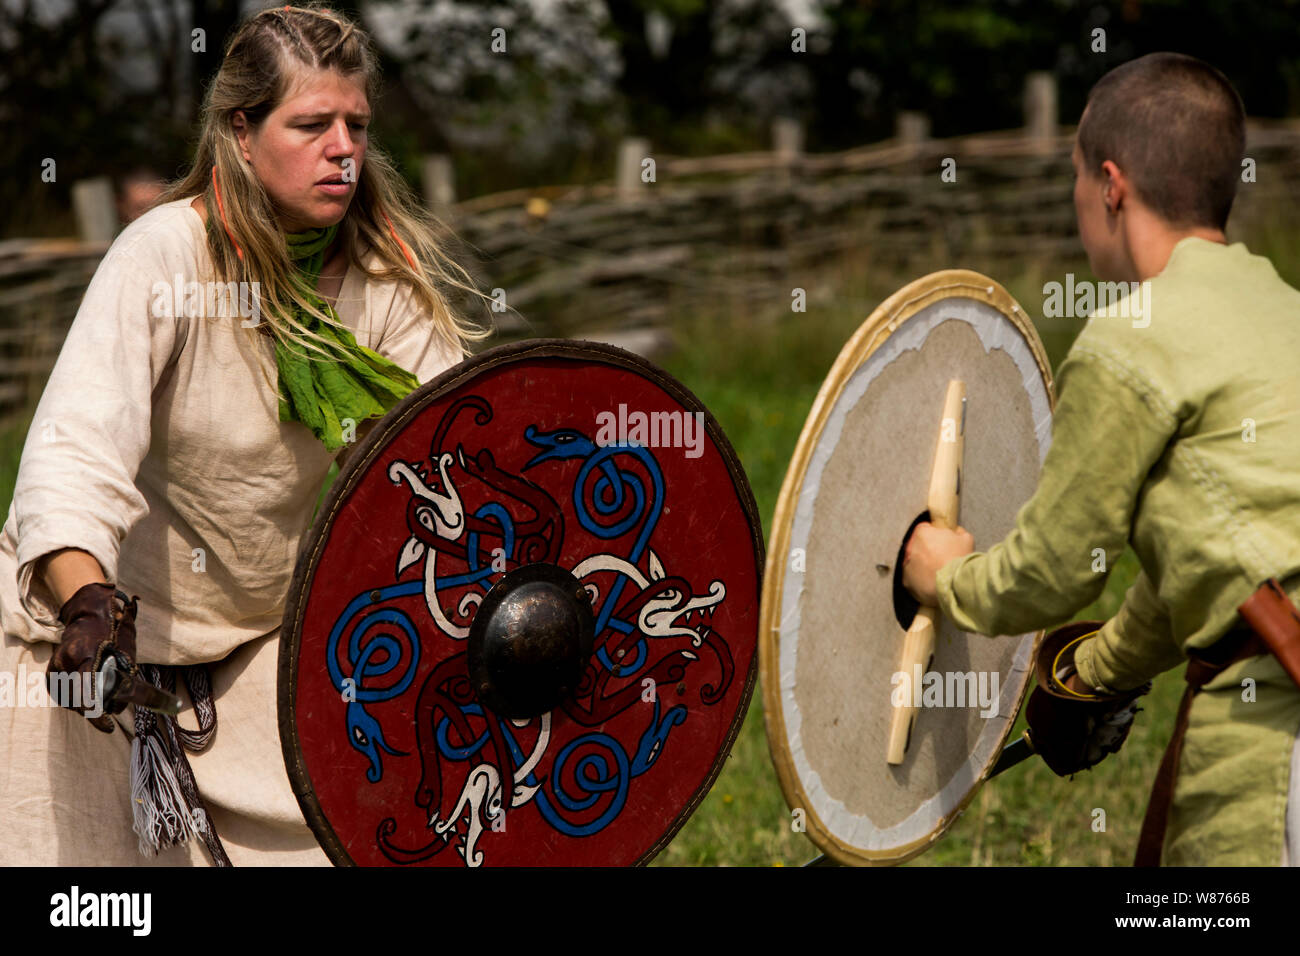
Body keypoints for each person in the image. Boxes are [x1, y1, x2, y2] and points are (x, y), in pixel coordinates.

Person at [0, 5, 486, 866]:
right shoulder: (165, 258)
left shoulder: (383, 287)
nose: (343, 146)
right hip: (81, 662)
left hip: (261, 659)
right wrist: (86, 605)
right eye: (311, 124)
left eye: (357, 125)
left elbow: (455, 457)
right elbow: (76, 451)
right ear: (242, 132)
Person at [903, 52, 1300, 866]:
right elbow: (1219, 560)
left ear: (1111, 185)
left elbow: (1056, 571)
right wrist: (1095, 670)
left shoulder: (1130, 341)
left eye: (1078, 179)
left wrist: (942, 576)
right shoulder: (1283, 311)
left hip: (1277, 737)